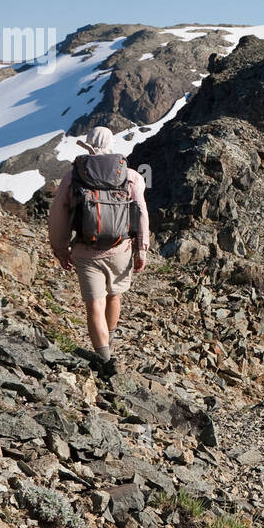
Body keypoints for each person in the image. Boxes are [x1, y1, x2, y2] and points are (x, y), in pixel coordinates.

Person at [48, 127, 149, 374]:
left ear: (89, 145)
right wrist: (141, 249)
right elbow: (141, 212)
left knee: (94, 305)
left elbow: (58, 216)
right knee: (114, 296)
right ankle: (108, 344)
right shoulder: (131, 176)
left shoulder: (73, 177)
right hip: (120, 248)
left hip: (85, 250)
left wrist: (60, 249)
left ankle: (104, 359)